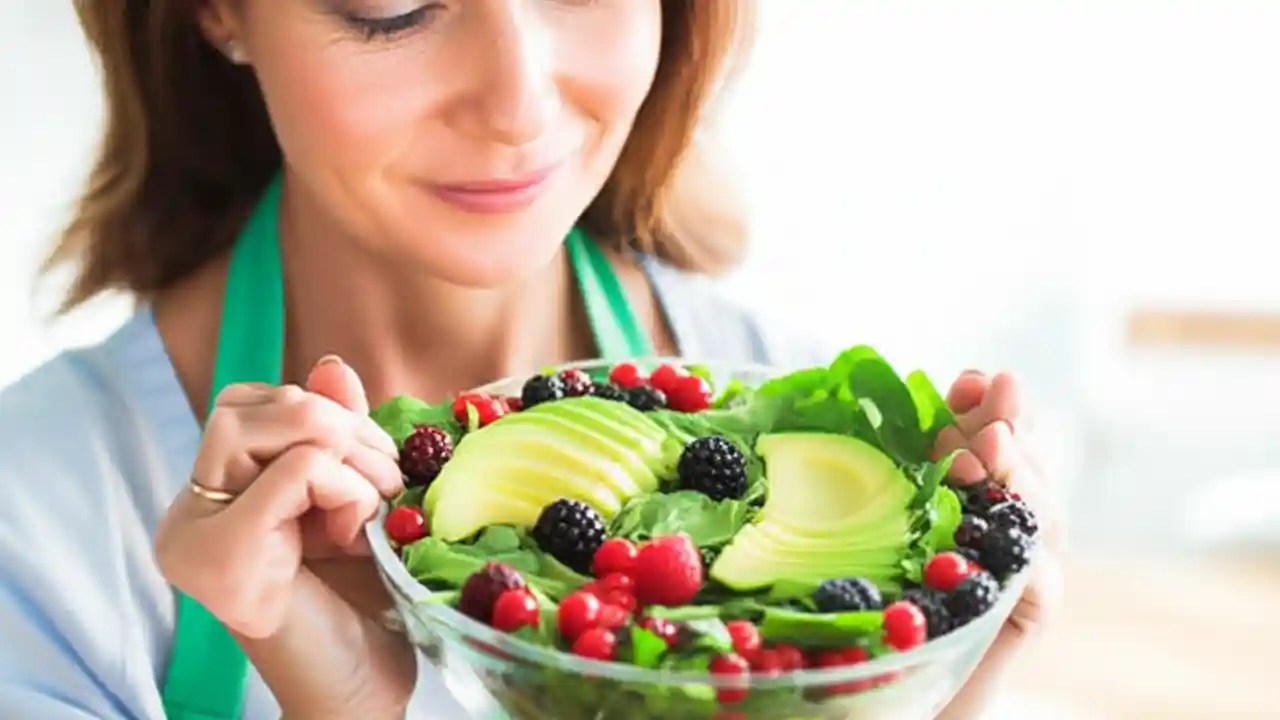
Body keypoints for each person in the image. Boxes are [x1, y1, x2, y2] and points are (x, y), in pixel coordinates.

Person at [0, 1, 1062, 718]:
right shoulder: (37, 523)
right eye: (394, 2)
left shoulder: (812, 429)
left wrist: (935, 685)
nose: (516, 102)